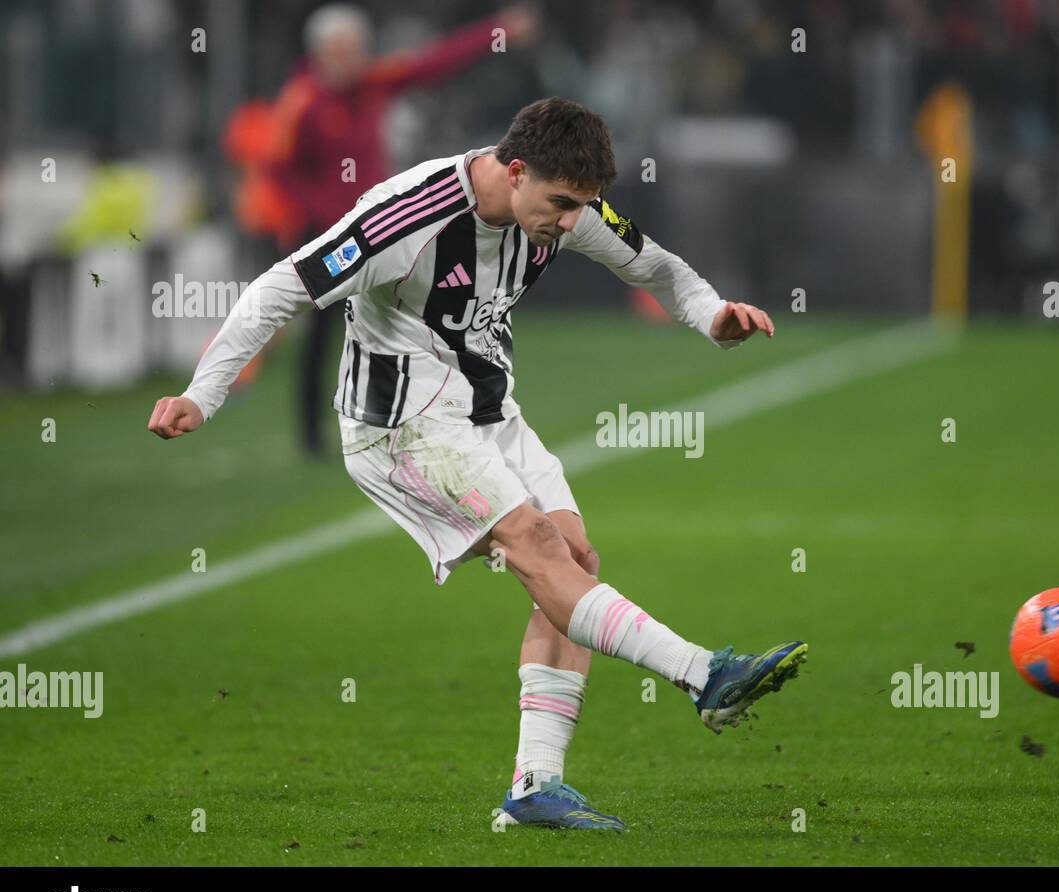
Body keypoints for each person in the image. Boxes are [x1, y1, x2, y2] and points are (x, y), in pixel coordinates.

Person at [148, 97, 807, 831]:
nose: (570, 222)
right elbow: (281, 288)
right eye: (559, 204)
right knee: (533, 543)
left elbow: (658, 266)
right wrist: (203, 395)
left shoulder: (568, 206)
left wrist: (711, 314)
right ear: (515, 170)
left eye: (581, 207)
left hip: (485, 412)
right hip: (398, 424)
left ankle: (534, 789)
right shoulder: (407, 218)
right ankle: (703, 672)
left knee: (576, 556)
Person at [229, 3, 539, 457]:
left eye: (356, 49)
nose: (352, 59)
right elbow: (278, 171)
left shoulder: (372, 84)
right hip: (326, 235)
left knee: (404, 320)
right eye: (342, 51)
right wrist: (314, 218)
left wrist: (497, 31)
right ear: (320, 53)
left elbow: (434, 62)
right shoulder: (303, 102)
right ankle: (309, 432)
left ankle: (411, 419)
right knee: (317, 337)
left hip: (382, 233)